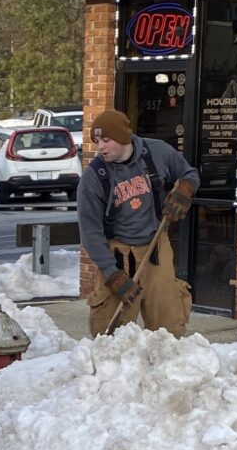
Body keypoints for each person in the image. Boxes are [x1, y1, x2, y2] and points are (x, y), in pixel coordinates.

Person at [76, 108, 200, 337]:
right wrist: (111, 274)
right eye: (96, 141)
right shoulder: (94, 178)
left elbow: (190, 173)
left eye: (106, 140)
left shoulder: (156, 153)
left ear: (123, 138)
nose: (100, 146)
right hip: (117, 255)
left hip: (156, 246)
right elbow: (90, 233)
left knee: (169, 327)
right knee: (111, 334)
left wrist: (184, 190)